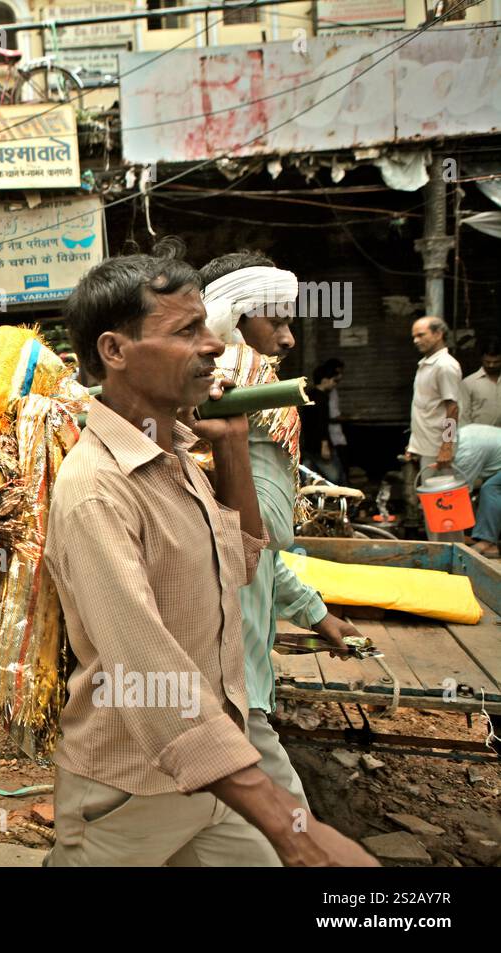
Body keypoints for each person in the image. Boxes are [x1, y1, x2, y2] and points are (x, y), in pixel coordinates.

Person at [45, 250, 375, 866]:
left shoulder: (173, 453)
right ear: (115, 351)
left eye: (206, 326)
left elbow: (245, 564)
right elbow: (146, 669)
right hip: (130, 791)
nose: (214, 346)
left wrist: (231, 450)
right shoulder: (97, 489)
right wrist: (290, 827)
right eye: (185, 331)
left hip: (217, 770)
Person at [200, 253, 363, 814]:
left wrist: (316, 613)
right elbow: (264, 534)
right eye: (277, 321)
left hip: (231, 658)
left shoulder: (216, 386)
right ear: (234, 317)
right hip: (228, 664)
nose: (289, 339)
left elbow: (262, 553)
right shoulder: (246, 384)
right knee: (288, 824)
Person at [406, 317, 462, 539]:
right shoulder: (427, 364)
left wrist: (447, 446)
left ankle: (450, 559)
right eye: (414, 336)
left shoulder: (445, 366)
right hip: (427, 447)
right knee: (433, 511)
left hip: (439, 451)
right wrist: (413, 445)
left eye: (421, 335)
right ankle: (440, 556)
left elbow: (453, 408)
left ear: (438, 334)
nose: (415, 340)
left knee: (445, 513)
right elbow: (425, 409)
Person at [454, 423, 501, 558]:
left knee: (491, 488)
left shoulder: (466, 453)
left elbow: (459, 492)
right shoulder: (453, 437)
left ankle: (487, 542)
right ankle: (478, 535)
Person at [300, 361, 341, 484]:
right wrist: (324, 445)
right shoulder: (322, 398)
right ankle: (343, 499)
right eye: (334, 381)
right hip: (318, 445)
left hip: (308, 442)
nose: (335, 385)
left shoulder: (308, 394)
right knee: (336, 477)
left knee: (306, 474)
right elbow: (321, 422)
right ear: (325, 380)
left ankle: (307, 497)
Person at [461, 339, 501, 427]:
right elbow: (463, 416)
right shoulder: (469, 383)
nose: (491, 365)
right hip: (478, 437)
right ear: (482, 359)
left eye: (496, 362)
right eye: (488, 362)